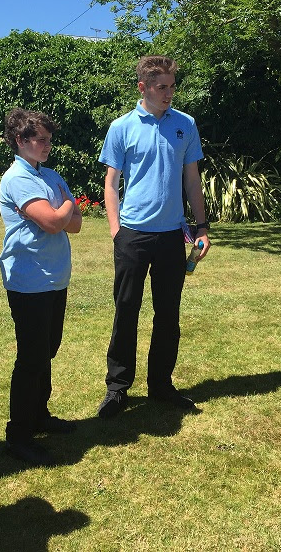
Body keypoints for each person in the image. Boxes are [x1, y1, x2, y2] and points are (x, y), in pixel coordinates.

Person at [96, 55, 211, 418]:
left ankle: (161, 385)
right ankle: (118, 388)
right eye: (162, 87)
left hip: (172, 236)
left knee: (167, 314)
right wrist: (117, 231)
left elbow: (192, 180)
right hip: (132, 235)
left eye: (172, 86)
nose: (169, 93)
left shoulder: (186, 124)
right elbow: (111, 184)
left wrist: (202, 227)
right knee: (126, 310)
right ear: (142, 88)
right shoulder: (122, 127)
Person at [0, 108, 82, 466]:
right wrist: (66, 203)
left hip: (53, 277)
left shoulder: (48, 175)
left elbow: (74, 225)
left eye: (49, 138)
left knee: (47, 349)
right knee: (31, 358)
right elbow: (53, 221)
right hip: (29, 279)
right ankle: (19, 433)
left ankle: (39, 414)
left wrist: (64, 210)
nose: (48, 145)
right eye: (40, 139)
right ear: (20, 141)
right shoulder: (18, 178)